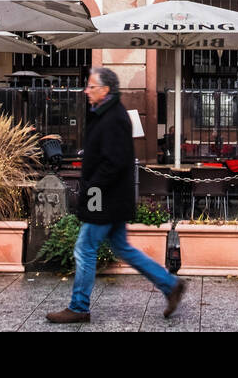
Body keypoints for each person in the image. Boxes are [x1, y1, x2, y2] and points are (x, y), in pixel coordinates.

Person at [46, 67, 186, 325]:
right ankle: (170, 284)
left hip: (106, 199)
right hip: (111, 198)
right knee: (122, 247)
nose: (86, 91)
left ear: (106, 89)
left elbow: (113, 163)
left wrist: (92, 192)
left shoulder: (114, 118)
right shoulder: (105, 114)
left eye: (91, 87)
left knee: (84, 247)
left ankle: (79, 306)